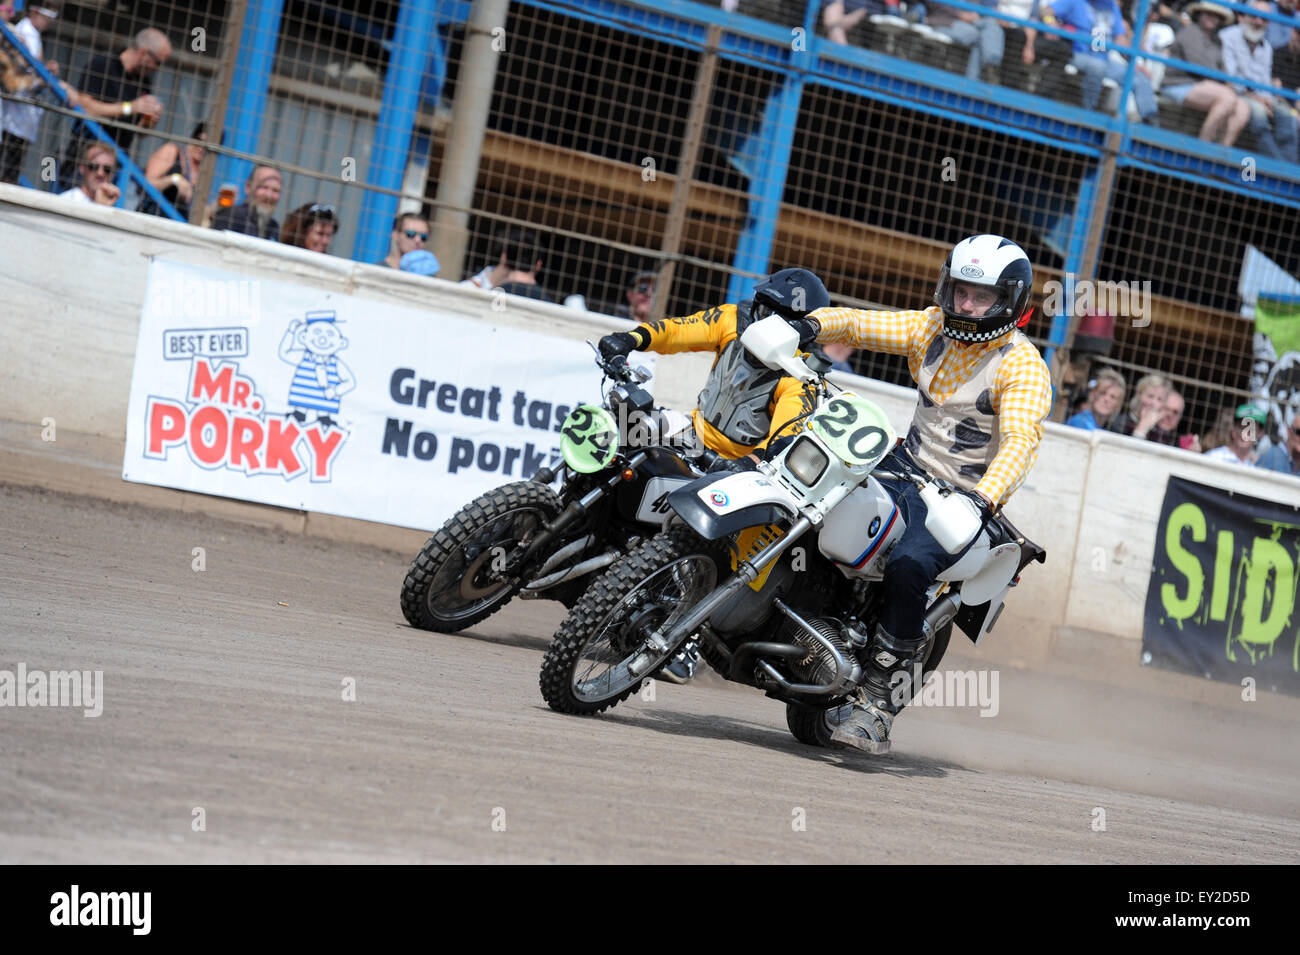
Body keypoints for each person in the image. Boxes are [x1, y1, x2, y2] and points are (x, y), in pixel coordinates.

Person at [793, 234, 1052, 755]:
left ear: (1010, 300)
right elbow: (866, 324)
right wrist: (811, 324)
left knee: (910, 565)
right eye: (958, 290)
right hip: (902, 466)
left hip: (962, 496)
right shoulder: (934, 326)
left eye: (980, 296)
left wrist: (983, 500)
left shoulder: (1022, 366)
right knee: (809, 492)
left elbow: (1022, 442)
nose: (964, 305)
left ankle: (877, 702)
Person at [597, 268, 834, 683]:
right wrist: (631, 340)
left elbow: (784, 436)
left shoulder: (802, 376)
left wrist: (749, 464)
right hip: (692, 430)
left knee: (727, 550)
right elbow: (678, 331)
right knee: (617, 431)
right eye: (764, 307)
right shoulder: (732, 320)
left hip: (741, 468)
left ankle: (686, 641)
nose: (764, 319)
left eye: (779, 316)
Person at [60, 28, 171, 189]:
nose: (157, 69)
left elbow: (139, 132)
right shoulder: (102, 65)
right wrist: (129, 107)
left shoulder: (143, 82)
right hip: (85, 162)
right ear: (143, 53)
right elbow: (85, 106)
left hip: (115, 168)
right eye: (158, 62)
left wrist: (149, 120)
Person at [1034, 0, 1159, 120]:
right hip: (1076, 54)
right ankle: (1088, 114)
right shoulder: (1075, 1)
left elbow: (1120, 39)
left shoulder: (1111, 6)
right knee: (1097, 66)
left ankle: (1151, 121)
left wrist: (1134, 63)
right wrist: (1051, 23)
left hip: (1104, 59)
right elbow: (1046, 11)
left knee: (1139, 77)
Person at [1160, 1, 1252, 146]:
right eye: (1208, 13)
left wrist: (1226, 82)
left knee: (1243, 109)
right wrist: (1224, 82)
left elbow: (1223, 70)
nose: (1212, 18)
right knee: (1227, 98)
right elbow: (1198, 66)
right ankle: (1204, 145)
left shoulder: (1217, 40)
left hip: (1207, 86)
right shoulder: (1190, 32)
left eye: (1216, 16)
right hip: (1179, 84)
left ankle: (1222, 150)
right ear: (1200, 14)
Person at [1221, 0, 1300, 164]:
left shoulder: (1266, 48)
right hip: (1237, 93)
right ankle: (1280, 167)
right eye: (1254, 17)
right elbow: (1230, 78)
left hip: (1260, 96)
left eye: (1263, 19)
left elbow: (1264, 81)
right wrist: (1259, 99)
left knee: (1288, 118)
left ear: (1268, 23)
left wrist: (1268, 100)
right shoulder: (1228, 36)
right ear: (1246, 16)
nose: (1258, 22)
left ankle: (1290, 165)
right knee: (1259, 117)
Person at [0, 4, 60, 185]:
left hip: (22, 119)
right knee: (7, 173)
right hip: (13, 118)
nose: (50, 20)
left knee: (11, 173)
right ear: (34, 11)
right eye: (48, 14)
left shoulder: (31, 36)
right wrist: (43, 78)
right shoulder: (20, 34)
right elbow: (13, 82)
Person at [137, 121, 209, 219]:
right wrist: (174, 179)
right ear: (193, 138)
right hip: (152, 216)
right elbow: (143, 185)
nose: (201, 148)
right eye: (199, 140)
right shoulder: (172, 151)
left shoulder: (203, 172)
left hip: (176, 224)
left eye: (206, 146)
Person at [924, 0, 1007, 84]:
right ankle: (973, 81)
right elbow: (934, 4)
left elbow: (987, 6)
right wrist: (960, 14)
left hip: (971, 20)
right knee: (977, 36)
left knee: (991, 25)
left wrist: (976, 13)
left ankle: (992, 63)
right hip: (945, 21)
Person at [210, 164, 282, 239]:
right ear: (248, 187)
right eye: (264, 187)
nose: (269, 196)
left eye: (275, 190)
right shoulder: (231, 216)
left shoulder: (274, 227)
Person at [1106, 372, 1169, 439]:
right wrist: (1142, 428)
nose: (1153, 403)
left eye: (1159, 399)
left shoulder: (1162, 434)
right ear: (1139, 395)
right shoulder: (1119, 423)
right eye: (1150, 396)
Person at [59, 139, 120, 205]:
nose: (100, 173)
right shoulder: (66, 201)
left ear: (113, 173)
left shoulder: (111, 204)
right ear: (82, 167)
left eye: (107, 169)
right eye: (93, 166)